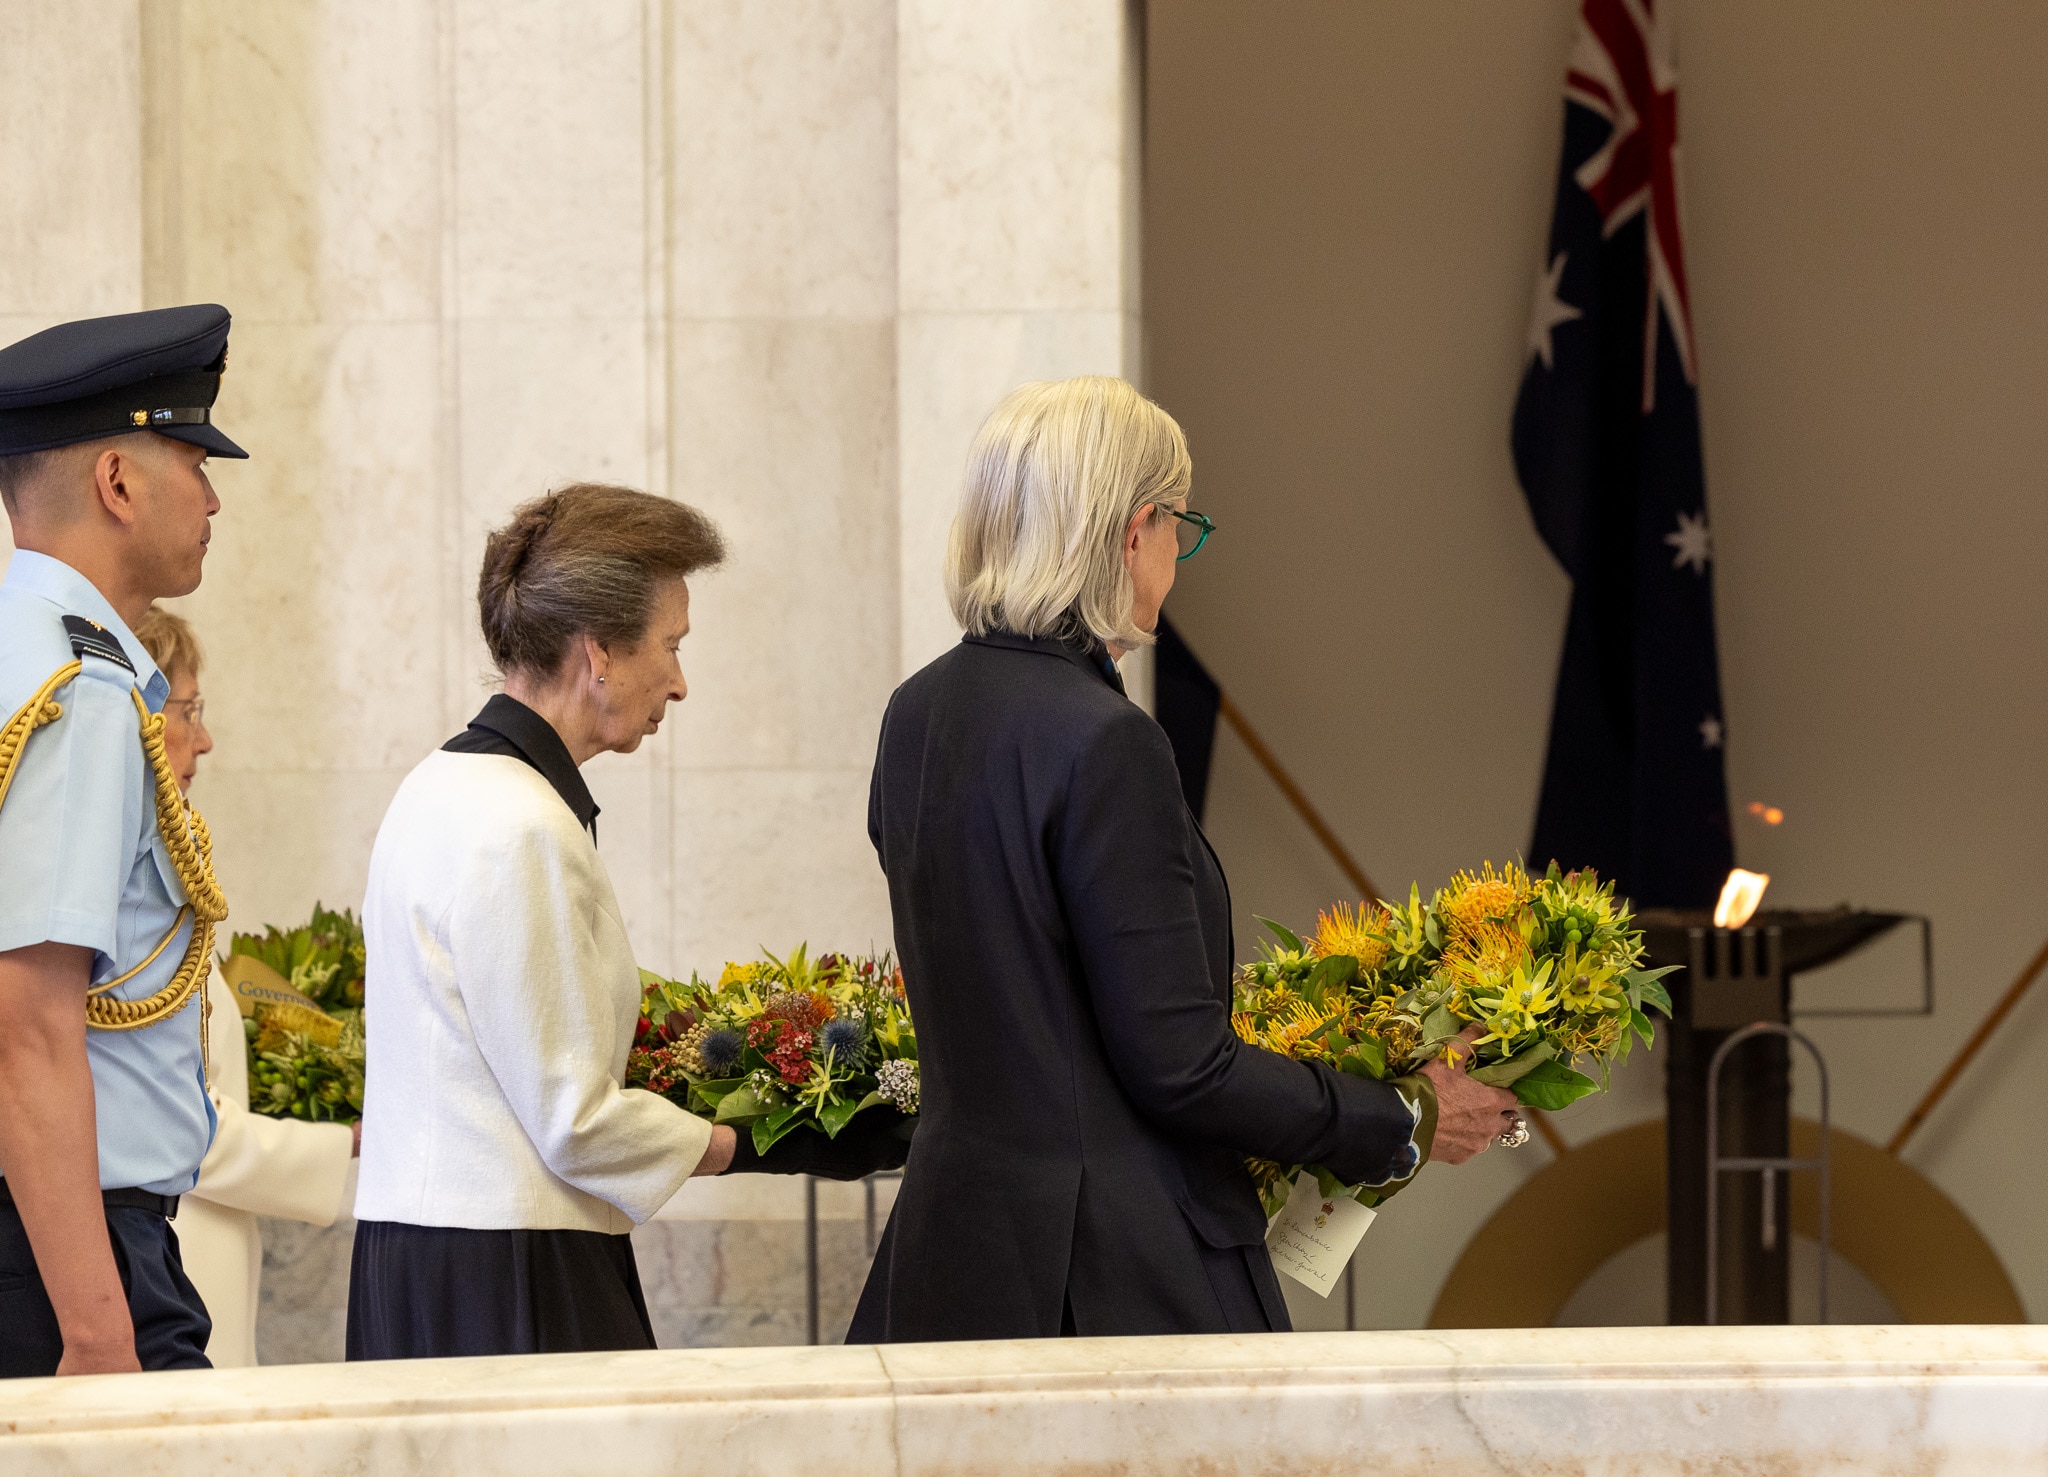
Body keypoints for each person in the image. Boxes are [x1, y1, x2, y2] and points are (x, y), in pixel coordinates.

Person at [850, 377, 1522, 1342]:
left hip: (951, 1260)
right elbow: (1182, 1068)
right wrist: (1400, 1117)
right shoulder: (1105, 739)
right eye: (1181, 526)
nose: (1180, 554)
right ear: (1135, 532)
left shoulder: (915, 714)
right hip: (1115, 1275)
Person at [346, 483, 904, 1361]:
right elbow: (573, 1121)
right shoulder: (520, 824)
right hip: (510, 1272)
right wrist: (767, 1141)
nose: (680, 681)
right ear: (598, 650)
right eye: (671, 645)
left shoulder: (437, 787)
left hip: (425, 1256)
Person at [0, 305, 246, 1376]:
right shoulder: (82, 694)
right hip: (69, 1250)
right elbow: (27, 1021)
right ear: (117, 481)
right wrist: (100, 1330)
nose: (214, 495)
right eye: (193, 458)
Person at [131, 604, 359, 1369]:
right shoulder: (127, 891)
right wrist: (345, 1141)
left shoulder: (168, 872)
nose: (205, 739)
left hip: (204, 1249)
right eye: (186, 711)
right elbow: (170, 1120)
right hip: (165, 1255)